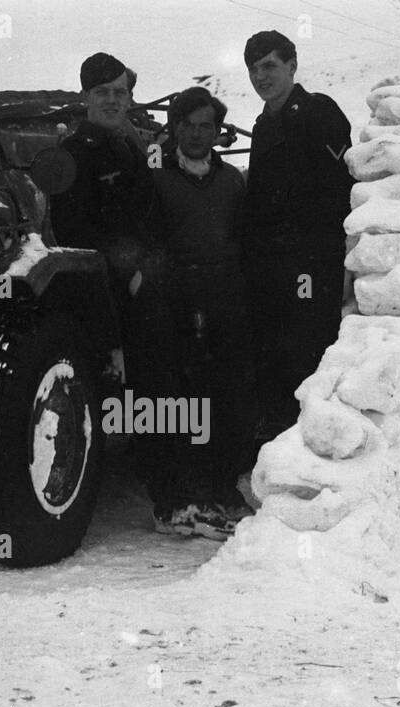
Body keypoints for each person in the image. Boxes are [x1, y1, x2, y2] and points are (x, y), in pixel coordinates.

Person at [48, 53, 189, 535]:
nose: (112, 100)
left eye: (120, 92)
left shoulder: (126, 146)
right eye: (103, 92)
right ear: (85, 97)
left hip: (144, 282)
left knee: (160, 386)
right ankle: (170, 499)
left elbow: (145, 214)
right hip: (111, 294)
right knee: (151, 391)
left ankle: (168, 486)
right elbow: (77, 231)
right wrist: (129, 272)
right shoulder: (75, 153)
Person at [151, 86, 256, 536]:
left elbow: (243, 238)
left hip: (225, 301)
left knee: (224, 396)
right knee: (178, 400)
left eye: (206, 126)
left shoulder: (231, 180)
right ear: (174, 129)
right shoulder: (156, 177)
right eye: (188, 125)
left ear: (217, 132)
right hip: (173, 304)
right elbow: (143, 239)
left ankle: (219, 490)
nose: (197, 134)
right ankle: (177, 500)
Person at [241, 30, 353, 443]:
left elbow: (337, 193)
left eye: (269, 65)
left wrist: (319, 261)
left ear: (292, 66)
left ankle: (310, 449)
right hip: (272, 268)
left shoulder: (319, 113)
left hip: (310, 265)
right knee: (273, 356)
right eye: (253, 69)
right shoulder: (263, 126)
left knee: (306, 354)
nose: (260, 76)